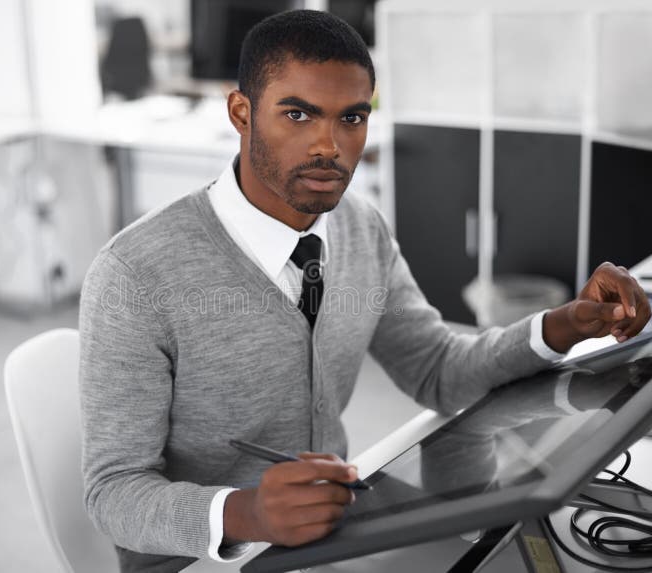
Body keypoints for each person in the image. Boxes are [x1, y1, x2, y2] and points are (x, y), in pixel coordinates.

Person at [78, 10, 651, 572]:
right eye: (298, 114)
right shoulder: (135, 273)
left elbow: (437, 369)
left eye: (352, 118)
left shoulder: (359, 227)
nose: (330, 145)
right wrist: (245, 511)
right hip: (199, 558)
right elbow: (113, 494)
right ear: (241, 113)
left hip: (329, 534)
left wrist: (562, 327)